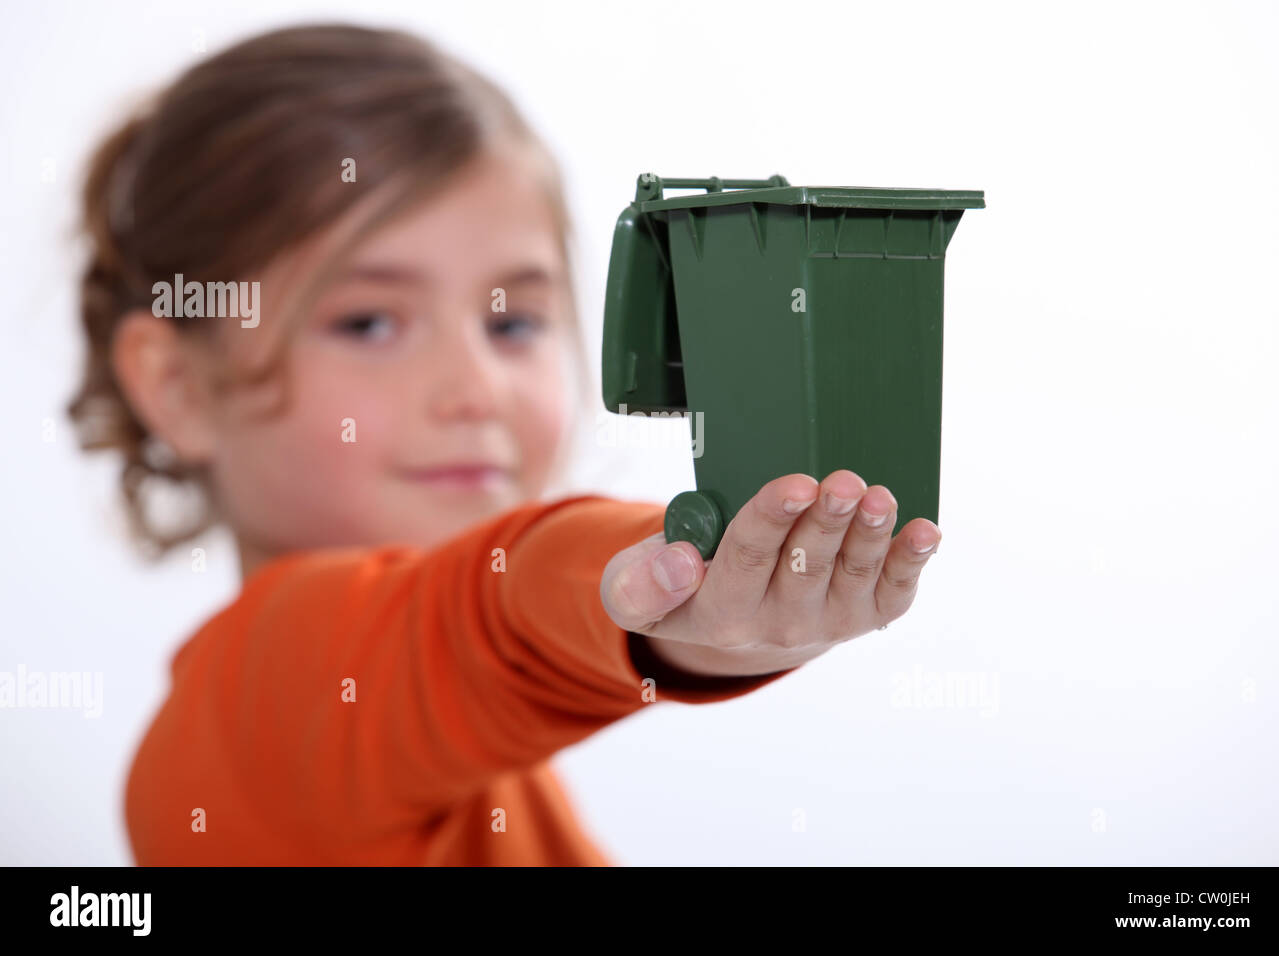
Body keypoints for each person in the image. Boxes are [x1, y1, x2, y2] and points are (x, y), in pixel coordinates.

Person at [67, 23, 941, 865]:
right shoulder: (251, 710)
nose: (475, 388)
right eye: (369, 322)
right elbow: (489, 616)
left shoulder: (491, 772)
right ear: (178, 387)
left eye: (514, 321)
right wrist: (671, 576)